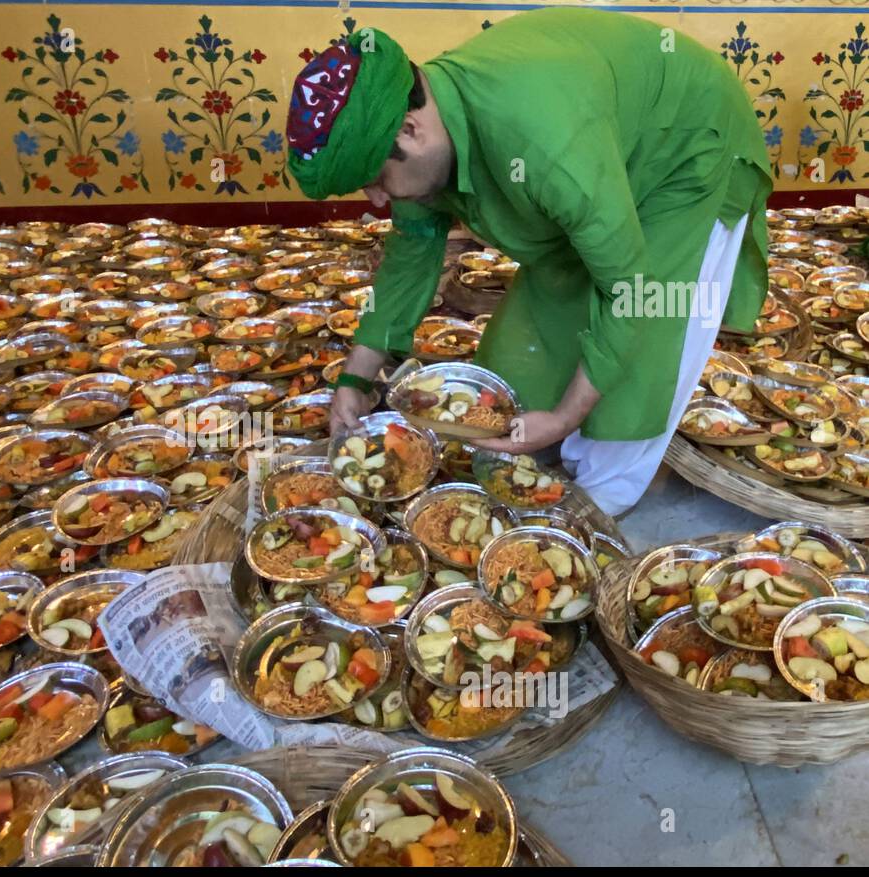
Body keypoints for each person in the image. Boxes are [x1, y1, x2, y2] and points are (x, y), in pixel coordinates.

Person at [285, 7, 771, 515]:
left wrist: (563, 418)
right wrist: (356, 379)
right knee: (530, 341)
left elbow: (632, 289)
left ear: (410, 130)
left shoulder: (547, 146)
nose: (377, 200)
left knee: (646, 341)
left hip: (684, 148)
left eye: (376, 179)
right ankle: (550, 436)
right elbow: (411, 247)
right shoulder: (432, 122)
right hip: (594, 154)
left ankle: (599, 502)